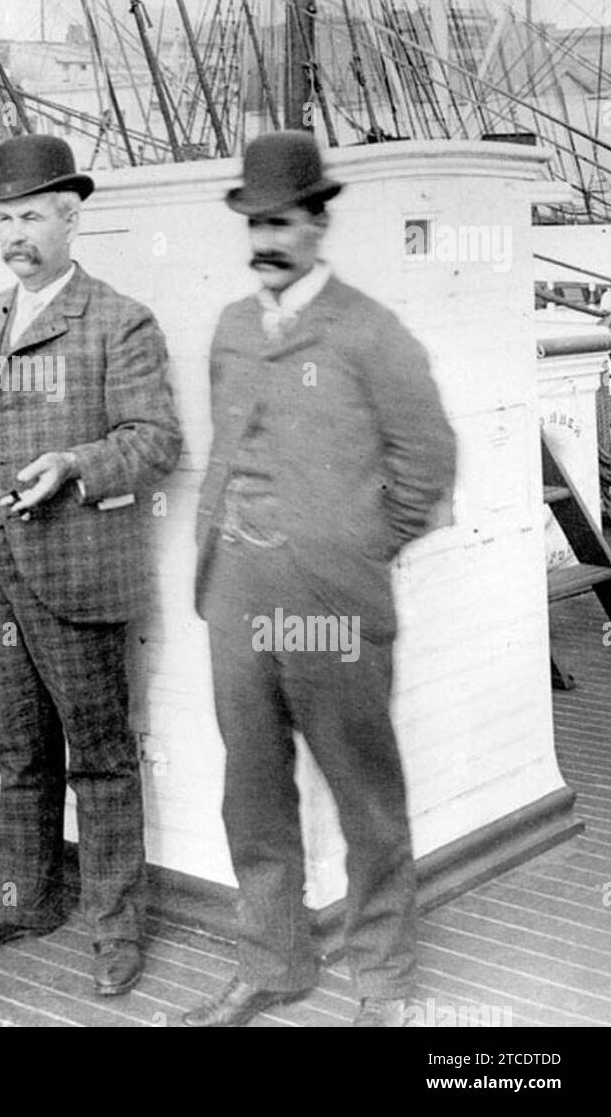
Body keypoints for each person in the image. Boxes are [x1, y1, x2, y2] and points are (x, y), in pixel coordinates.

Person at [184, 131, 456, 1028]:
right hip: (235, 592)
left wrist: (351, 549)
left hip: (326, 604)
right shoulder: (231, 327)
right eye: (254, 224)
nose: (265, 240)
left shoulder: (370, 331)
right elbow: (227, 447)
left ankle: (383, 982)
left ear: (317, 225)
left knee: (362, 793)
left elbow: (426, 463)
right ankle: (272, 962)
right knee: (252, 790)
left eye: (282, 223)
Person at [0, 133, 182, 997]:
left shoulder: (119, 321)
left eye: (31, 217)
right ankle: (23, 901)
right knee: (17, 747)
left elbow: (155, 442)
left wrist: (73, 465)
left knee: (98, 757)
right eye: (5, 219)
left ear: (71, 219)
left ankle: (114, 931)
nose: (15, 234)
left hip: (74, 570)